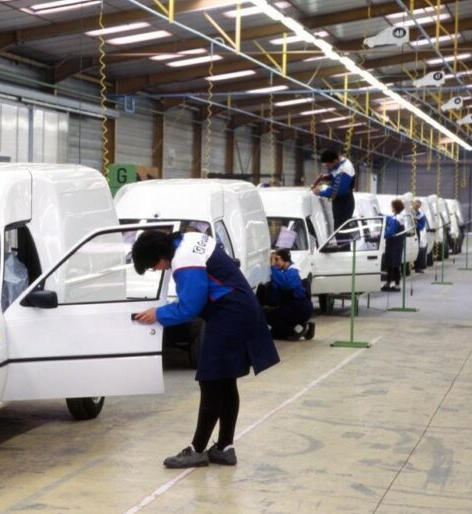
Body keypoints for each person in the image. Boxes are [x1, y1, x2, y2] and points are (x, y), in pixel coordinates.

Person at [131, 230, 280, 469]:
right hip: (243, 308)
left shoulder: (185, 261)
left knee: (210, 381)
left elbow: (190, 307)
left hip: (229, 313)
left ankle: (198, 450)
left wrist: (157, 314)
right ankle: (224, 448)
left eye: (153, 266)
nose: (157, 270)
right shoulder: (190, 238)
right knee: (225, 380)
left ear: (161, 255)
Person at [264, 249, 315, 341]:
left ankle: (302, 328)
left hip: (299, 308)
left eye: (277, 259)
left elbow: (286, 284)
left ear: (285, 259)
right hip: (292, 307)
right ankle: (300, 327)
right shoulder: (285, 272)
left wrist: (273, 268)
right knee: (275, 331)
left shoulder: (293, 271)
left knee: (268, 316)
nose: (275, 263)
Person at [312, 149, 356, 234]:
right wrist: (325, 177)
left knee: (342, 231)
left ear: (335, 161)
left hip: (344, 202)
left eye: (328, 165)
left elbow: (337, 191)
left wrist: (320, 192)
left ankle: (343, 247)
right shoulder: (340, 163)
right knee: (339, 229)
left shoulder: (344, 170)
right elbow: (335, 174)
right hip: (340, 199)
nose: (328, 168)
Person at [382, 199, 406, 292]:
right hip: (397, 244)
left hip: (393, 245)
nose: (391, 207)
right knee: (393, 265)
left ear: (395, 207)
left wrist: (380, 236)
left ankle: (396, 285)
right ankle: (390, 283)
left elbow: (390, 231)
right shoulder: (398, 217)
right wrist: (380, 215)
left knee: (393, 265)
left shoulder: (396, 219)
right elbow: (389, 218)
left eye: (392, 206)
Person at [412, 199, 428, 273]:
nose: (416, 206)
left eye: (418, 205)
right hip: (408, 232)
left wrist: (416, 225)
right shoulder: (409, 211)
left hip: (416, 232)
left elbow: (422, 226)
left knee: (417, 249)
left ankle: (417, 267)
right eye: (415, 204)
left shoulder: (421, 214)